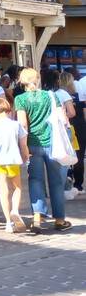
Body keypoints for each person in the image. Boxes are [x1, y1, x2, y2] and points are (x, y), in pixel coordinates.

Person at [14, 66, 72, 234]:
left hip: (32, 143)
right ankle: (60, 220)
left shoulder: (20, 99)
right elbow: (64, 119)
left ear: (22, 82)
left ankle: (37, 218)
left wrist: (22, 147)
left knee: (35, 180)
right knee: (56, 182)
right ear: (37, 79)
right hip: (53, 144)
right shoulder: (51, 96)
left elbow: (22, 125)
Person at [0, 97, 29, 232]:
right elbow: (23, 145)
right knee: (17, 188)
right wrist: (26, 157)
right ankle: (15, 210)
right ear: (7, 108)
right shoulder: (15, 125)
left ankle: (8, 222)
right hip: (13, 160)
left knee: (3, 190)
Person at [52, 72, 79, 200]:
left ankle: (60, 189)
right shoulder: (64, 94)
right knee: (65, 160)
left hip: (53, 130)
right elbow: (72, 113)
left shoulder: (51, 93)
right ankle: (63, 189)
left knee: (56, 161)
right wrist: (62, 118)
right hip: (64, 128)